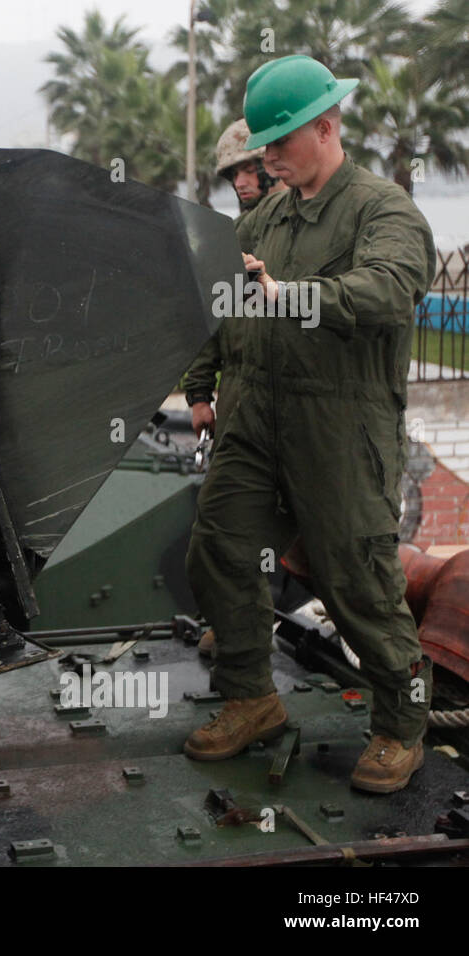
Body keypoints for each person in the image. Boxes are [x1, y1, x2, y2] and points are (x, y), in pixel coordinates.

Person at [183, 56, 436, 794]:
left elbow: (388, 292)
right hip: (254, 419)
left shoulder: (383, 211)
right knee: (219, 549)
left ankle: (402, 725)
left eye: (280, 140)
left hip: (340, 427)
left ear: (326, 128)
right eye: (262, 142)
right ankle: (252, 699)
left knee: (356, 581)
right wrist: (201, 387)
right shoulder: (266, 216)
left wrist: (291, 295)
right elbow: (221, 305)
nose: (266, 156)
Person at [183, 119, 286, 658]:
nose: (242, 182)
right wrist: (200, 395)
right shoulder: (234, 237)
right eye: (233, 174)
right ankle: (241, 631)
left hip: (302, 413)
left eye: (251, 168)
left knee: (336, 550)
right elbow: (213, 323)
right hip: (244, 410)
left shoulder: (301, 231)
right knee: (223, 533)